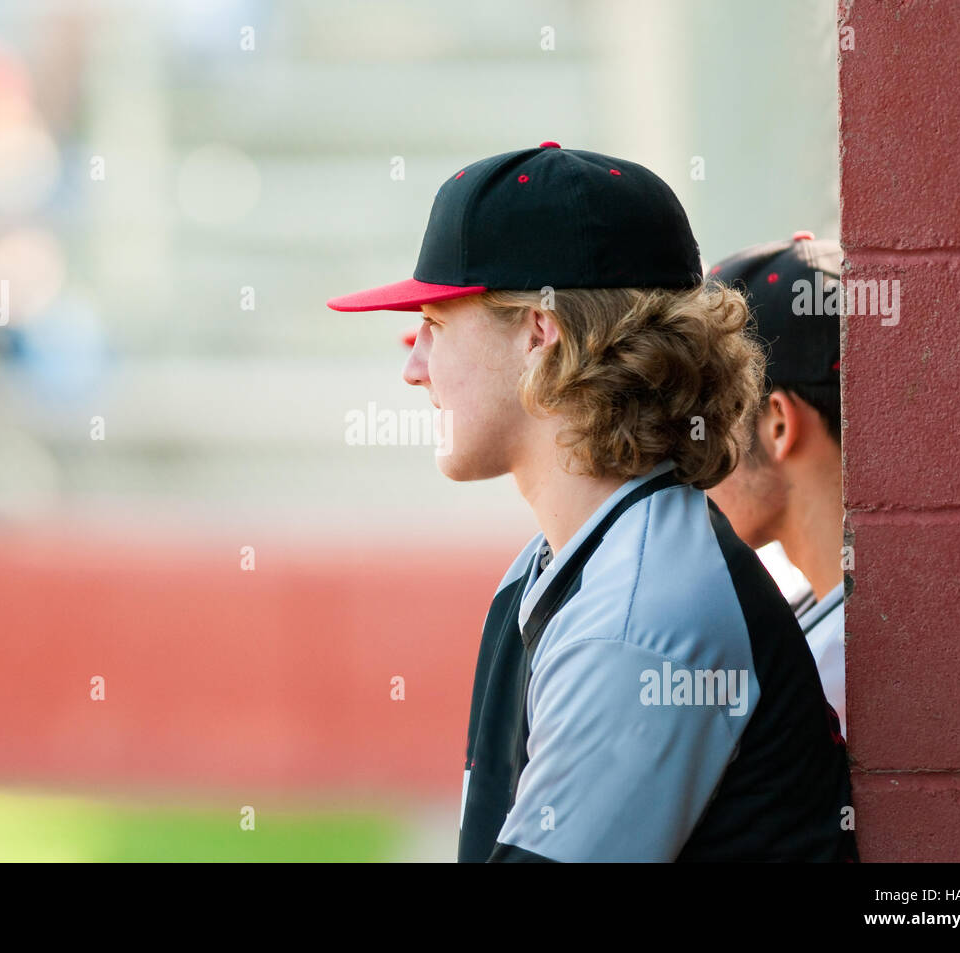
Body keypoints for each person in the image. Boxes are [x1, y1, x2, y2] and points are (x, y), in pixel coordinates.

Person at [328, 142, 856, 862]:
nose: (413, 367)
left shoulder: (639, 615)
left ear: (540, 337)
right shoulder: (566, 563)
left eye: (437, 325)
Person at [704, 234, 848, 740]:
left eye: (707, 417)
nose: (684, 455)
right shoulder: (823, 616)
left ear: (779, 425)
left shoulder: (842, 671)